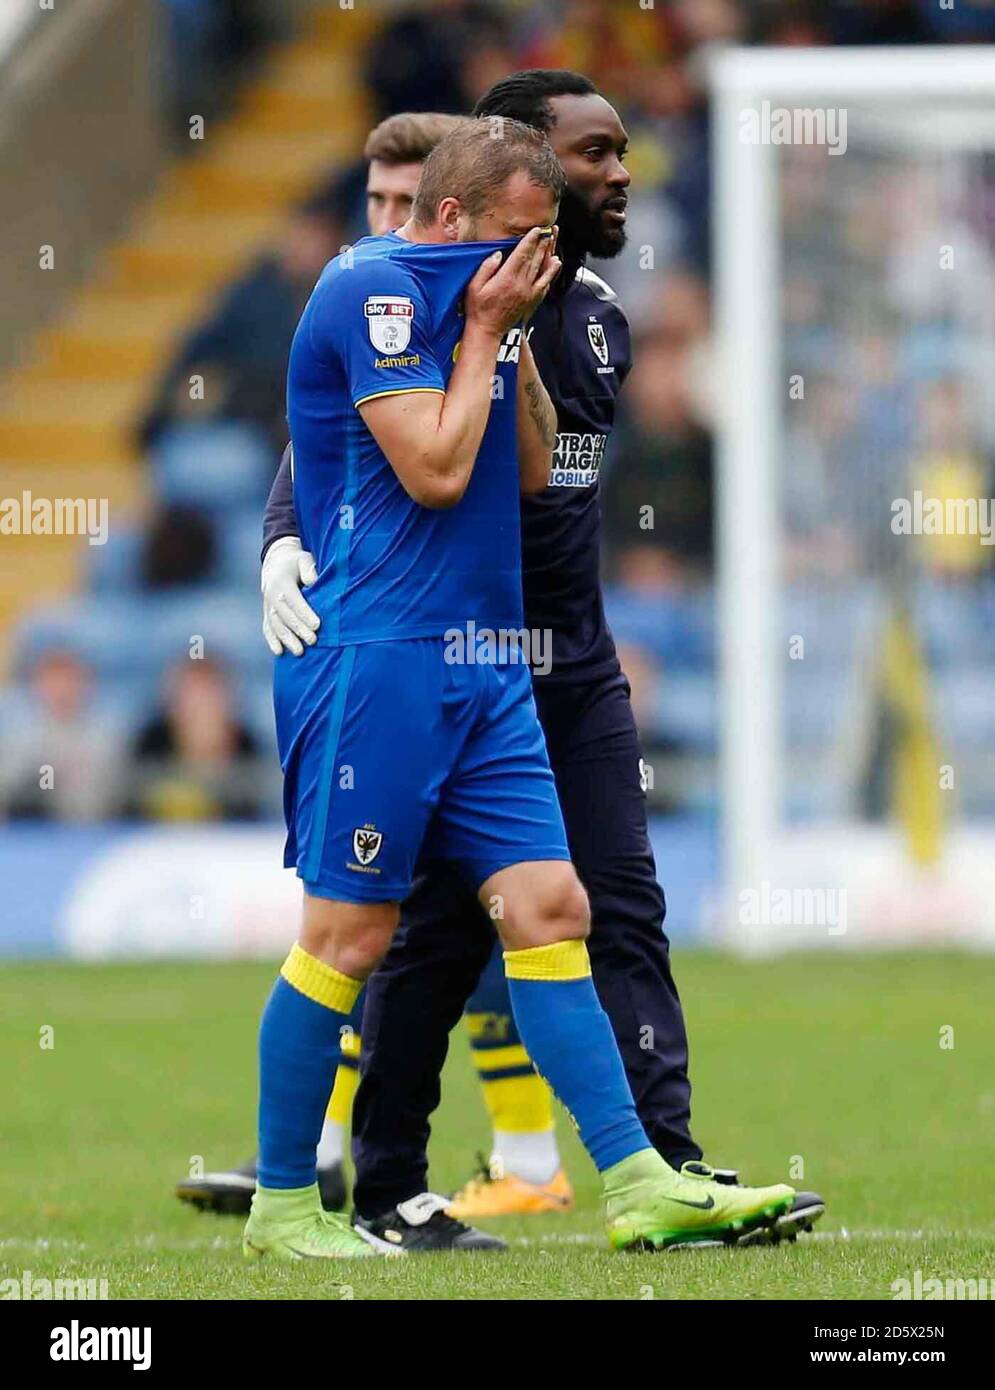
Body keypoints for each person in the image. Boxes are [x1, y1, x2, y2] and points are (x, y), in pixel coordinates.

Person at [241, 117, 794, 1261]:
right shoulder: (373, 293)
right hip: (378, 659)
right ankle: (285, 1207)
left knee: (553, 909)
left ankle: (637, 1180)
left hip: (486, 664)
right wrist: (484, 324)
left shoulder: (499, 309)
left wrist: (516, 340)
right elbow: (437, 474)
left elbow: (535, 471)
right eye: (516, 235)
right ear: (448, 220)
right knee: (349, 933)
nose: (537, 257)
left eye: (547, 238)